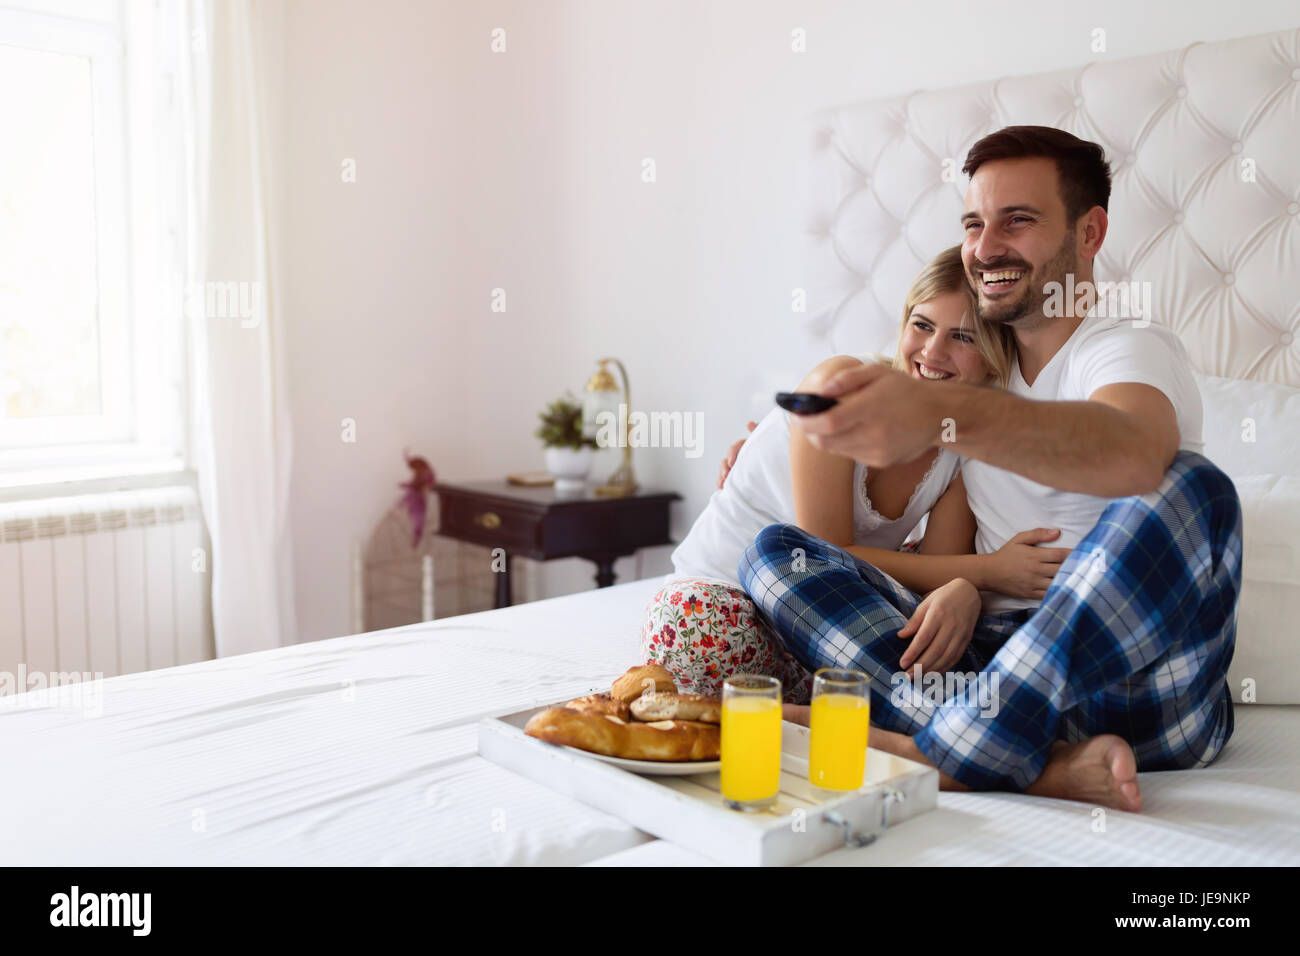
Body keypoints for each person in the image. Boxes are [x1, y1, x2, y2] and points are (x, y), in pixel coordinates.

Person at [740, 125, 1241, 812]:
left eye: (1018, 221)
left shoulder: (1126, 347)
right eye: (974, 224)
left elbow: (1132, 451)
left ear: (1089, 233)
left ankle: (937, 752)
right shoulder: (980, 373)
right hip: (985, 672)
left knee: (1196, 490)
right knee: (775, 553)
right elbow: (932, 523)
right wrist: (966, 585)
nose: (984, 248)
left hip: (1135, 686)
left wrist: (942, 412)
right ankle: (1034, 765)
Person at [641, 247, 1068, 702]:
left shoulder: (962, 450)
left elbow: (929, 578)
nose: (932, 351)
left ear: (993, 356)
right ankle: (854, 696)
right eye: (922, 325)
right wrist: (988, 572)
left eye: (963, 337)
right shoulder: (840, 387)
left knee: (931, 631)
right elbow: (822, 556)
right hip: (721, 600)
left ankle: (844, 695)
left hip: (820, 624)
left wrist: (964, 589)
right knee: (699, 624)